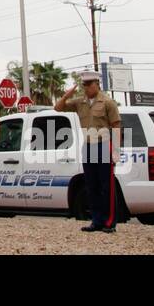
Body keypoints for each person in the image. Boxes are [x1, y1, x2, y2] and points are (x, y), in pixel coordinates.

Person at [56, 70, 123, 233]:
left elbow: (116, 126)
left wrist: (115, 151)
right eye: (84, 85)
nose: (86, 88)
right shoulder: (80, 102)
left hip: (103, 143)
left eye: (89, 85)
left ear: (97, 84)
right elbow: (58, 108)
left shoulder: (108, 102)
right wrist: (66, 95)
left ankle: (109, 222)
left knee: (105, 185)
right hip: (88, 144)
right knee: (91, 185)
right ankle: (96, 220)